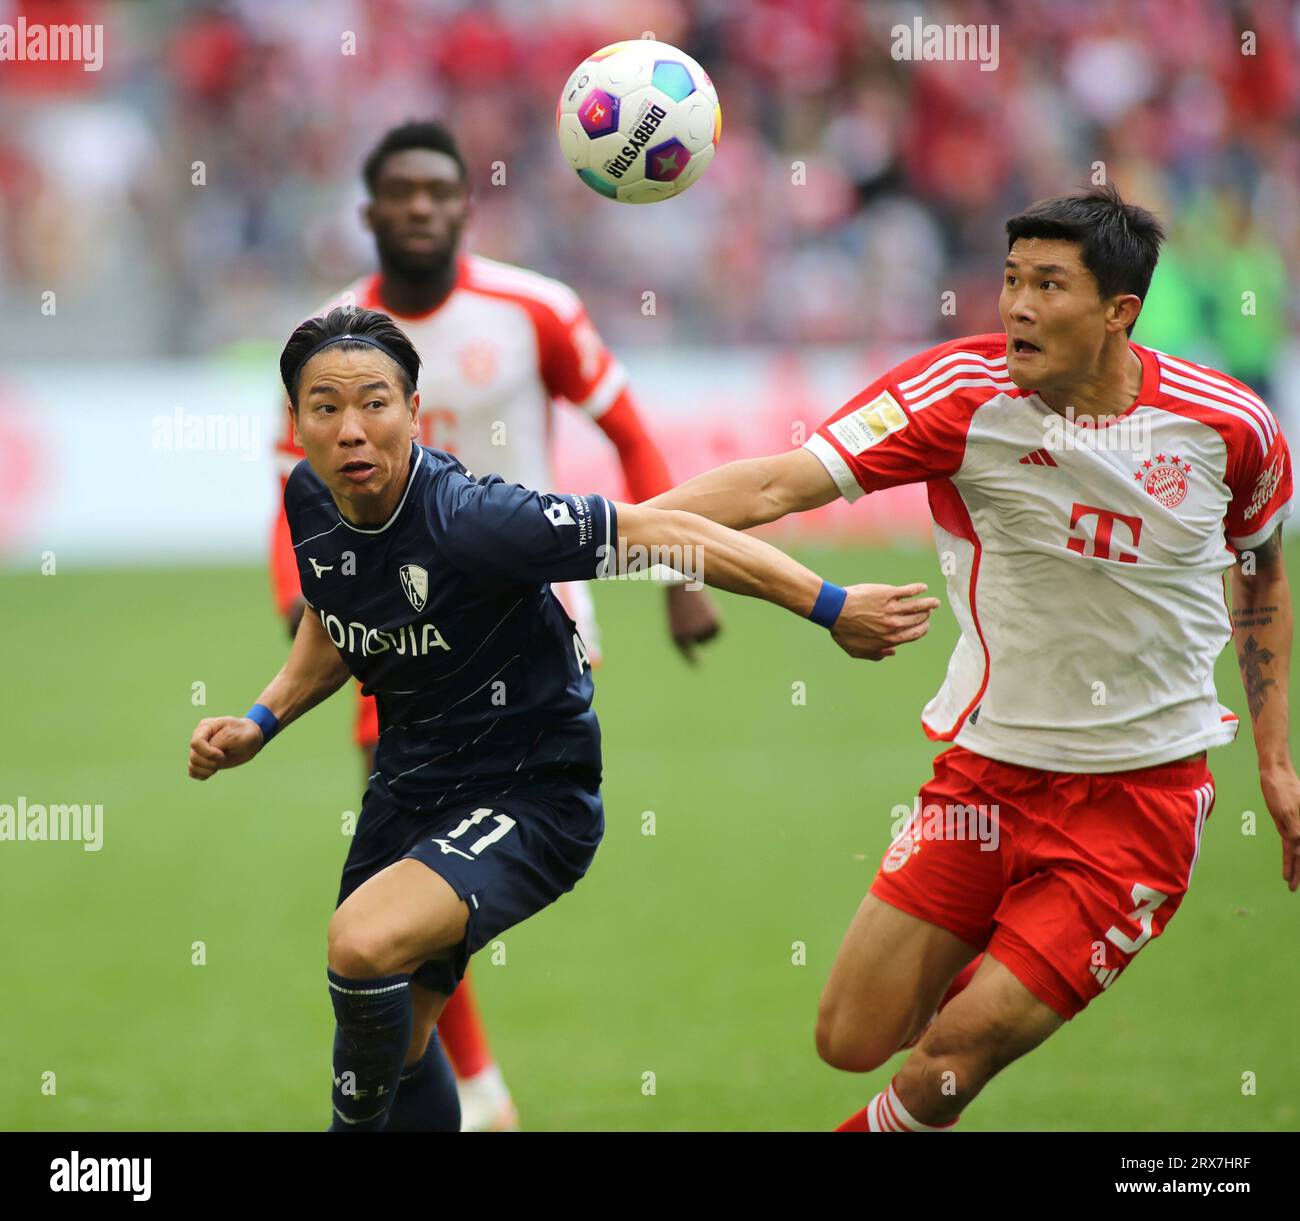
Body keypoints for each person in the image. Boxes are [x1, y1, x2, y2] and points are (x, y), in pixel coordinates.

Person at [645, 185, 1297, 1130]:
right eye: (1010, 279)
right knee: (852, 1036)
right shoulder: (959, 396)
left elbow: (1263, 571)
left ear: (1120, 312)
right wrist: (594, 534)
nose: (1019, 306)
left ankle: (1009, 994)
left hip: (1135, 805)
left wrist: (1274, 762)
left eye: (1049, 284)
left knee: (946, 1062)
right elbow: (774, 483)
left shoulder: (1228, 428)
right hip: (984, 780)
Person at [193, 306, 939, 1133]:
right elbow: (339, 615)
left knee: (361, 946)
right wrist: (263, 719)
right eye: (325, 407)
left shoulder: (476, 521)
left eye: (375, 402)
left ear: (414, 409)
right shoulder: (310, 499)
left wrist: (830, 605)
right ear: (295, 424)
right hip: (409, 787)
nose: (352, 428)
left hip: (530, 796)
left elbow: (667, 531)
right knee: (397, 1033)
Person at [269, 120, 722, 1128]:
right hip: (392, 625)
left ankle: (454, 1090)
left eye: (441, 192)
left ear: (465, 206)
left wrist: (681, 577)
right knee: (406, 876)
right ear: (370, 212)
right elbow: (288, 503)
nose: (421, 209)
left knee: (435, 862)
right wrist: (306, 619)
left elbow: (629, 433)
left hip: (531, 612)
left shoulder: (533, 309)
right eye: (402, 194)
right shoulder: (332, 338)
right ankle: (471, 1086)